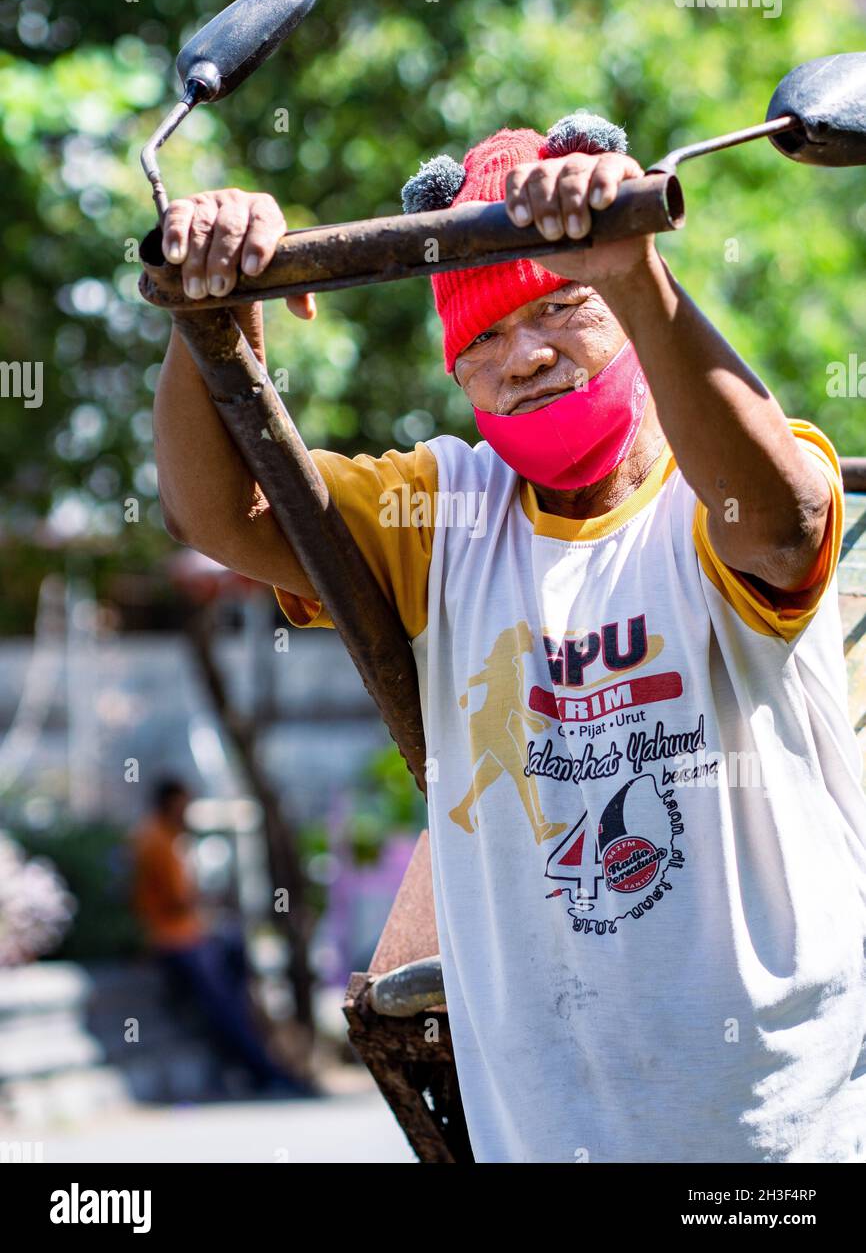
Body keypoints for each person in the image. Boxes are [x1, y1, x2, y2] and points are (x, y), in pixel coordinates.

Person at [152, 112, 866, 1162]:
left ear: (625, 314)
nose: (524, 356)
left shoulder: (720, 478)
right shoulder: (445, 513)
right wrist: (208, 320)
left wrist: (631, 273)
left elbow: (777, 523)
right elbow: (219, 516)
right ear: (456, 374)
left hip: (780, 1141)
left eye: (563, 307)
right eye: (482, 338)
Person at [131, 777, 312, 1097]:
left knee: (238, 974)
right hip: (176, 941)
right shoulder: (157, 841)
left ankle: (267, 1060)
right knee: (226, 1005)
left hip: (190, 934)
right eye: (184, 804)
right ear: (172, 804)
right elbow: (178, 899)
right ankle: (263, 1071)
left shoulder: (167, 838)